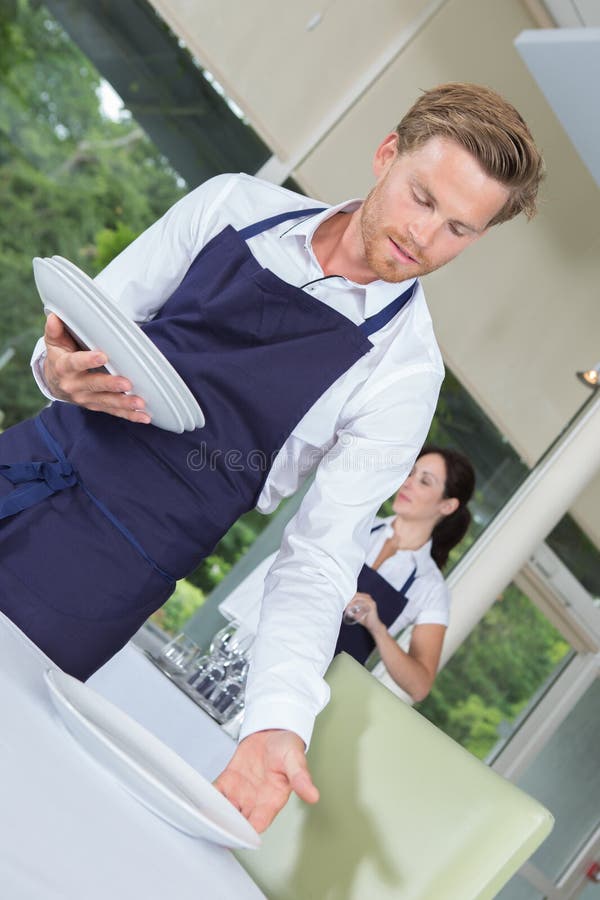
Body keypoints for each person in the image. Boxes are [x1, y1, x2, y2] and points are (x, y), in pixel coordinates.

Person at [0, 83, 544, 832]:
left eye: (457, 228)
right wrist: (52, 369)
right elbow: (80, 329)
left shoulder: (403, 378)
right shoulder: (233, 206)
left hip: (109, 563)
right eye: (422, 198)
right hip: (29, 460)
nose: (425, 237)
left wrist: (278, 719)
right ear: (387, 156)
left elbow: (320, 558)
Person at [334, 445, 475, 702]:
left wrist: (377, 628)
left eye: (424, 481)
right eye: (410, 473)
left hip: (318, 683)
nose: (408, 483)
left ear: (447, 506)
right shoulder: (357, 525)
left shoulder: (429, 587)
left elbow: (420, 686)